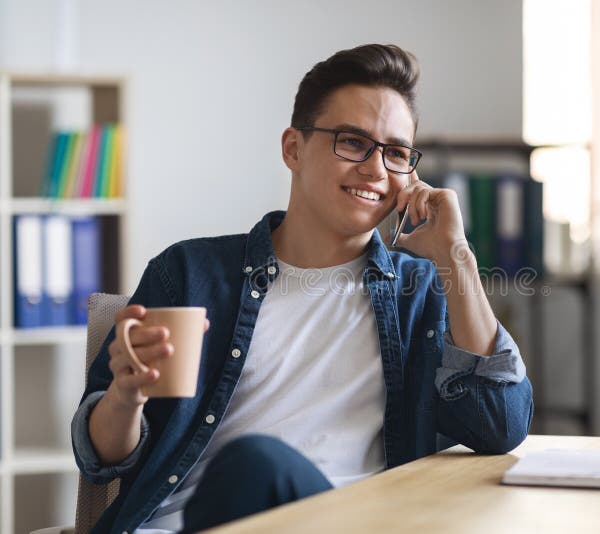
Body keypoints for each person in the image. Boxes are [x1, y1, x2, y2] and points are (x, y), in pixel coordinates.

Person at [72, 43, 533, 534]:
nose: (376, 169)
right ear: (293, 148)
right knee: (251, 467)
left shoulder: (419, 291)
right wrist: (124, 396)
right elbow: (100, 458)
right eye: (353, 142)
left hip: (341, 521)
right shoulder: (190, 273)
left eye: (395, 153)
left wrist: (456, 255)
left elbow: (499, 425)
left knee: (256, 465)